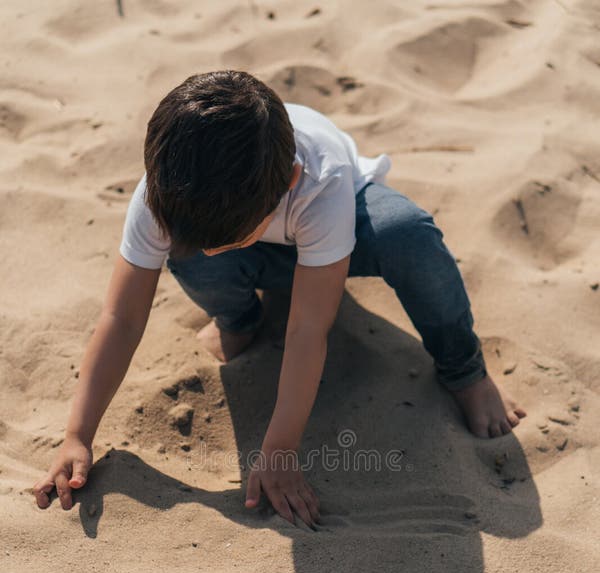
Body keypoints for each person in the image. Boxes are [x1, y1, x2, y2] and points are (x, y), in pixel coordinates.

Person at [33, 70, 526, 527]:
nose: (207, 249)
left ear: (289, 181)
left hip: (338, 236)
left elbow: (308, 330)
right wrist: (78, 433)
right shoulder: (165, 194)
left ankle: (465, 371)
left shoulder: (319, 182)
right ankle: (240, 317)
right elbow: (121, 317)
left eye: (221, 241)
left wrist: (280, 448)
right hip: (253, 242)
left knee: (409, 235)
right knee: (193, 253)